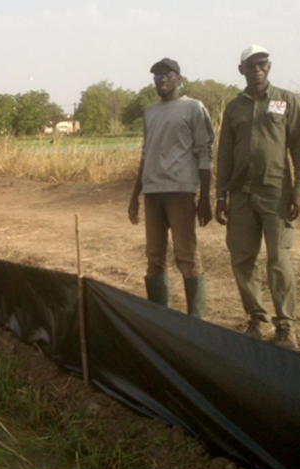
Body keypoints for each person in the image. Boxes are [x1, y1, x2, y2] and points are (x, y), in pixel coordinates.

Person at [216, 45, 300, 349]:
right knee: (243, 259)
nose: (257, 68)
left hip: (277, 193)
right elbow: (225, 154)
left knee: (279, 260)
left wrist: (299, 192)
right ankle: (257, 319)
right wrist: (220, 196)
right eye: (251, 64)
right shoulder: (234, 107)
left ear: (268, 66)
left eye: (262, 62)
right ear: (241, 69)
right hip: (241, 194)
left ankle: (286, 326)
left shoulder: (287, 101)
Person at [128, 58, 214, 317]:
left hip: (180, 190)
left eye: (167, 75)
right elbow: (146, 154)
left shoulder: (193, 108)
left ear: (178, 78)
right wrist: (135, 196)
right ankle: (160, 318)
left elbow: (204, 153)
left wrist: (205, 197)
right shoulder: (151, 112)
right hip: (153, 192)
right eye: (156, 76)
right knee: (154, 257)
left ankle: (195, 320)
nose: (162, 80)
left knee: (186, 255)